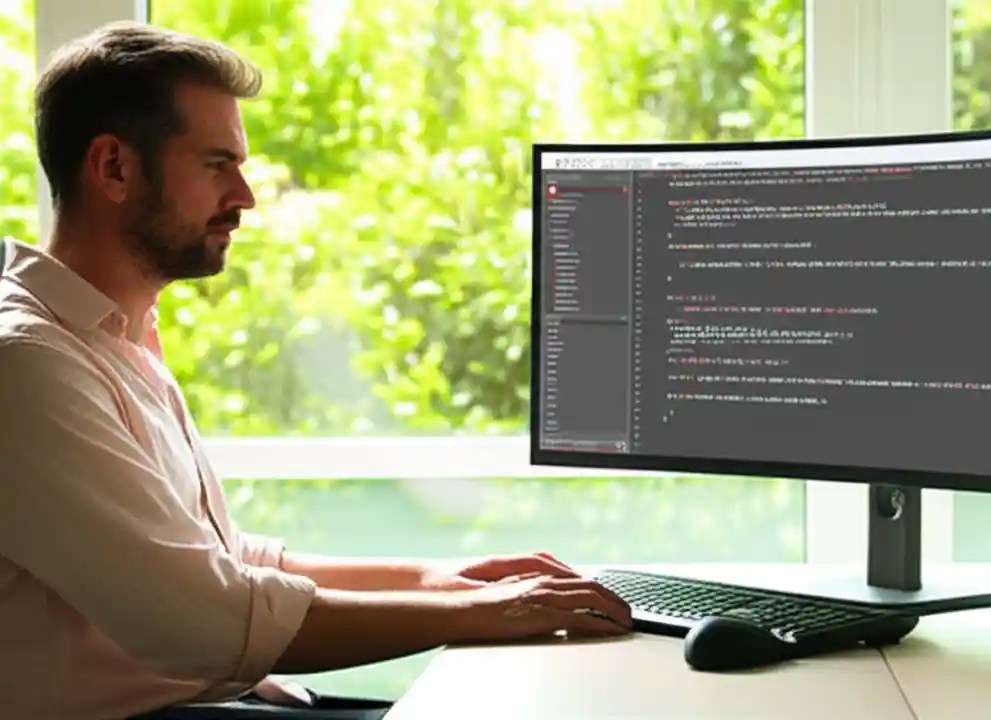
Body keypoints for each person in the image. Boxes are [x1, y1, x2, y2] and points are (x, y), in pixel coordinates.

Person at [0, 20, 632, 720]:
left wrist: (443, 580)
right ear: (113, 167)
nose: (245, 196)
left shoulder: (114, 336)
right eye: (216, 165)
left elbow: (218, 559)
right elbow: (204, 620)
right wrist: (485, 612)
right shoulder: (27, 365)